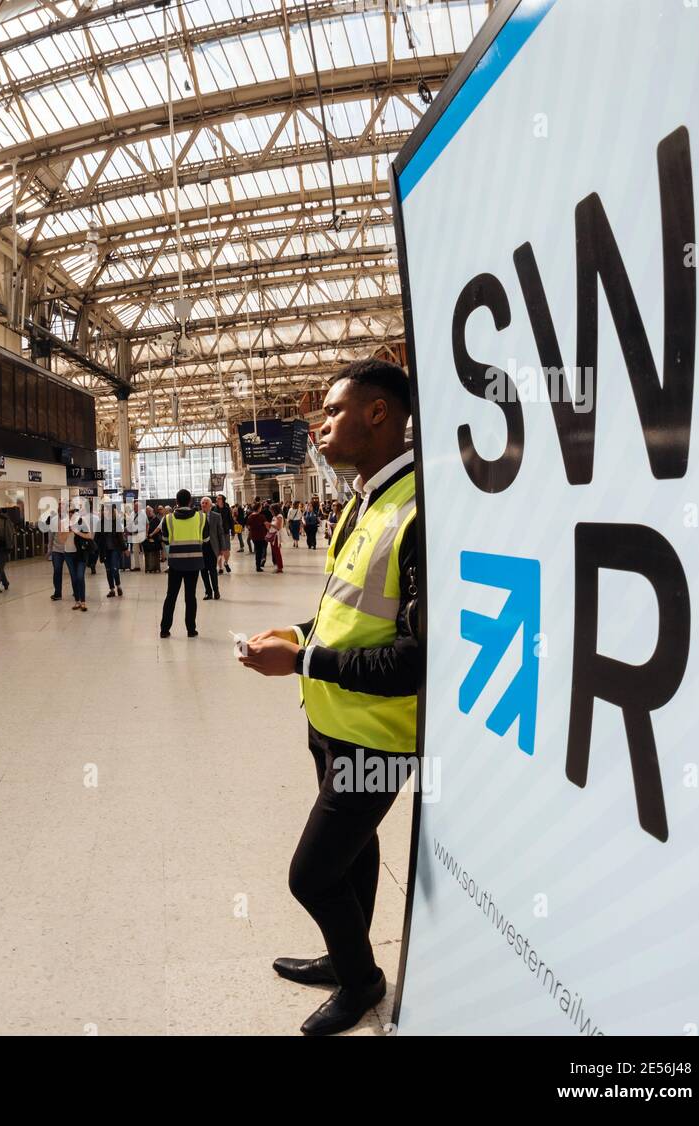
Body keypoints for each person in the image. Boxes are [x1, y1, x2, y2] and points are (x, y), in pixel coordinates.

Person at [238, 358, 419, 1036]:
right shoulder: (365, 501)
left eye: (333, 411)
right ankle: (349, 956)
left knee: (311, 876)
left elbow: (416, 658)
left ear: (378, 414)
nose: (319, 425)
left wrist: (304, 659)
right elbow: (350, 613)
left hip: (381, 735)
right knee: (356, 850)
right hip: (333, 719)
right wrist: (296, 634)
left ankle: (363, 980)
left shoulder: (417, 513)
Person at [158, 488, 205, 638]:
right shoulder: (201, 518)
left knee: (171, 596)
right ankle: (191, 630)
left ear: (176, 502)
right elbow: (205, 539)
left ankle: (165, 630)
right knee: (190, 597)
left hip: (175, 564)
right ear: (190, 501)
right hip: (194, 563)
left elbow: (165, 541)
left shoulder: (168, 519)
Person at [65, 503, 93, 611]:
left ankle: (83, 601)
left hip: (81, 553)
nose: (71, 514)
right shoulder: (64, 523)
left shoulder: (82, 521)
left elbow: (89, 536)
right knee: (74, 578)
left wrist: (77, 532)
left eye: (73, 512)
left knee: (80, 576)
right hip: (68, 553)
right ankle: (77, 601)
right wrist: (67, 531)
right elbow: (61, 539)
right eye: (69, 512)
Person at [199, 496, 226, 601]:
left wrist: (222, 547)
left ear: (210, 505)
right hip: (201, 547)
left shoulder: (216, 516)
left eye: (206, 503)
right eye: (202, 503)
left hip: (212, 547)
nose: (204, 504)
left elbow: (220, 533)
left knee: (212, 570)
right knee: (203, 571)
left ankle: (216, 591)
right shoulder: (197, 516)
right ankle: (208, 592)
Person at [96, 502, 125, 597]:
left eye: (107, 510)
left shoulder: (116, 522)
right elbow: (96, 538)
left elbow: (120, 537)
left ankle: (119, 586)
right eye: (104, 510)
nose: (105, 512)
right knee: (108, 570)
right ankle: (112, 589)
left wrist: (125, 548)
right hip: (104, 550)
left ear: (111, 512)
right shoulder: (100, 523)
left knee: (114, 568)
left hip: (115, 550)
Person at [48, 517, 68, 600]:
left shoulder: (71, 519)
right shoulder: (54, 520)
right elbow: (51, 536)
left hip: (69, 550)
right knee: (57, 570)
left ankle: (76, 591)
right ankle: (57, 592)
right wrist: (49, 549)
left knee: (73, 572)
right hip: (56, 550)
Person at [245, 502, 269, 571]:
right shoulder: (261, 516)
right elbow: (266, 525)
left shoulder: (250, 516)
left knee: (257, 550)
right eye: (261, 507)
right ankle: (258, 566)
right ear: (259, 508)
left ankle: (258, 565)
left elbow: (248, 526)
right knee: (260, 551)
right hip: (261, 535)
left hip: (254, 536)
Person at [215, 494, 235, 573]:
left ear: (223, 500)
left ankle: (226, 563)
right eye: (217, 498)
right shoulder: (214, 508)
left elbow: (231, 520)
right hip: (217, 532)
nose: (217, 499)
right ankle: (220, 568)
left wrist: (233, 531)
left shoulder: (227, 509)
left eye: (219, 498)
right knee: (219, 551)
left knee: (227, 550)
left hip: (226, 531)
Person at [268, 502, 285, 573]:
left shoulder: (279, 516)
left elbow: (278, 527)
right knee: (275, 552)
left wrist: (270, 524)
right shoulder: (275, 517)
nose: (271, 512)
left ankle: (280, 568)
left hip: (277, 536)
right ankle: (278, 566)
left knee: (277, 552)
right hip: (273, 535)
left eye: (271, 510)